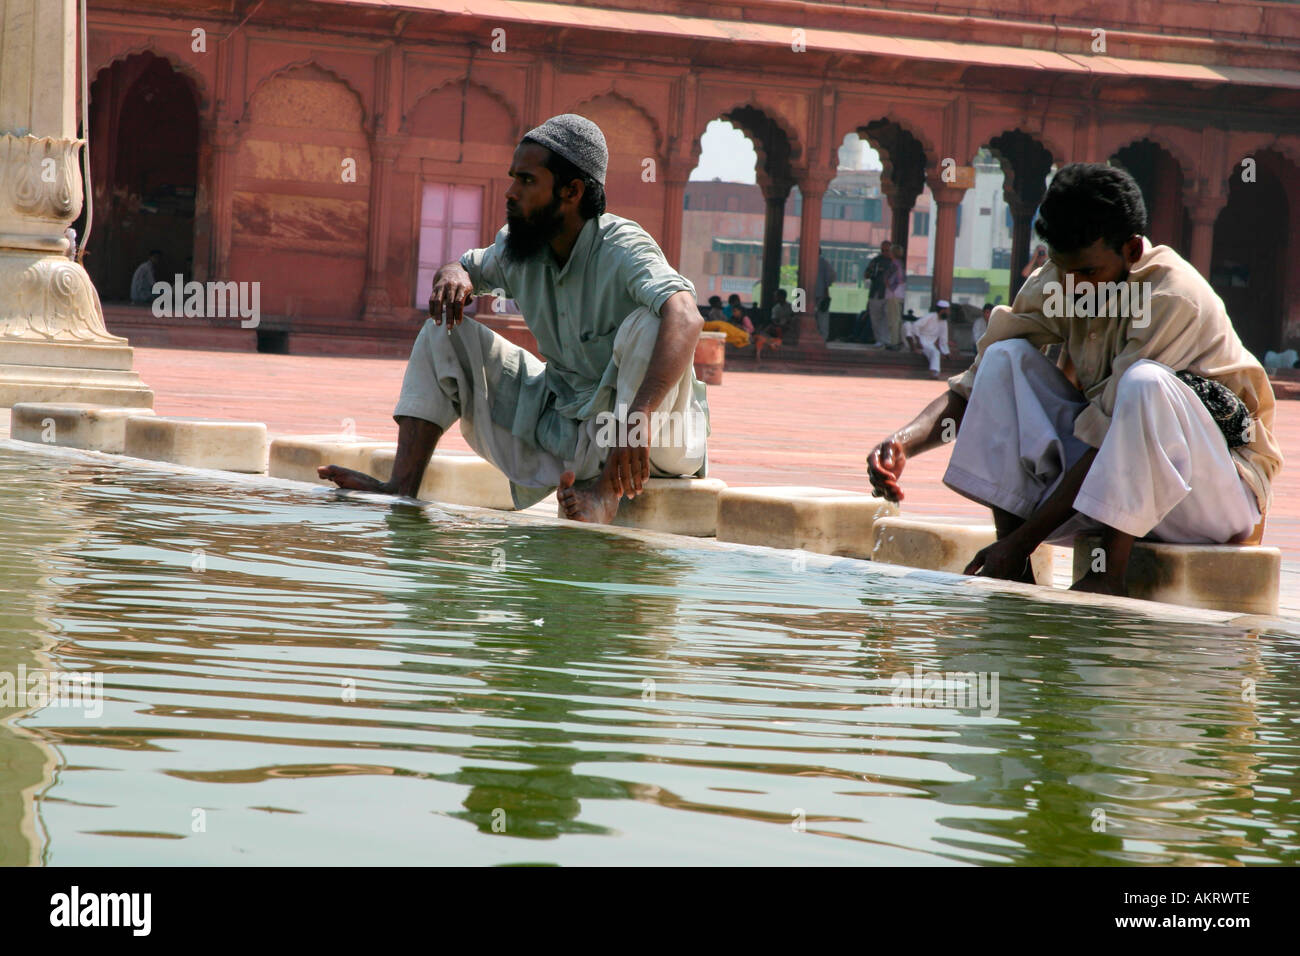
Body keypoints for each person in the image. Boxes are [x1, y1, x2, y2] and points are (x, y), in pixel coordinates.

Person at [867, 162, 1282, 596]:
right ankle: (1016, 568)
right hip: (1115, 492)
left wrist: (1021, 539)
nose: (1074, 285)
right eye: (1064, 269)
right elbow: (973, 384)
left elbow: (1111, 433)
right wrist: (902, 444)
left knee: (1143, 385)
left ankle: (1108, 575)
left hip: (1216, 499)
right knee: (1004, 359)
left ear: (1133, 251)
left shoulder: (1173, 296)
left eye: (1087, 272)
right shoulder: (1061, 279)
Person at [319, 113, 710, 524]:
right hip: (568, 428)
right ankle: (400, 487)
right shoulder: (521, 246)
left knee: (649, 322)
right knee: (443, 334)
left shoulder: (621, 246)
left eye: (526, 181)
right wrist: (453, 274)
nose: (510, 192)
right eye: (513, 178)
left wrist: (640, 416)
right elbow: (464, 266)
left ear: (572, 190)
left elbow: (686, 316)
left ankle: (606, 493)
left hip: (652, 436)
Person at [903, 300, 951, 378]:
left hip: (928, 344)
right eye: (947, 310)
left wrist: (946, 352)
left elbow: (943, 339)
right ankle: (913, 349)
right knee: (907, 325)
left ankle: (934, 373)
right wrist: (918, 342)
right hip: (918, 339)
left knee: (935, 352)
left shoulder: (944, 322)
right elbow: (916, 326)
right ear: (942, 310)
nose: (948, 312)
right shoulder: (930, 316)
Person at [862, 241, 893, 346]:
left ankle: (887, 340)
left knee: (888, 317)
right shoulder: (876, 261)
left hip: (890, 295)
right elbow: (866, 274)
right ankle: (879, 340)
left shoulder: (896, 262)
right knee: (875, 318)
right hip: (876, 293)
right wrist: (873, 272)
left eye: (887, 250)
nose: (884, 252)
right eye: (883, 250)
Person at [883, 244, 906, 350]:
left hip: (894, 294)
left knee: (893, 319)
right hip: (899, 293)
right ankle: (897, 340)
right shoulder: (900, 264)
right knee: (897, 318)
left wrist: (889, 286)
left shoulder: (894, 265)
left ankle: (894, 342)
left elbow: (893, 279)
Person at [814, 248, 836, 341]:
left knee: (807, 315)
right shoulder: (824, 262)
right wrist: (826, 290)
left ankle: (814, 336)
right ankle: (822, 337)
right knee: (822, 316)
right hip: (821, 292)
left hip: (807, 293)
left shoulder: (806, 261)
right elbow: (831, 276)